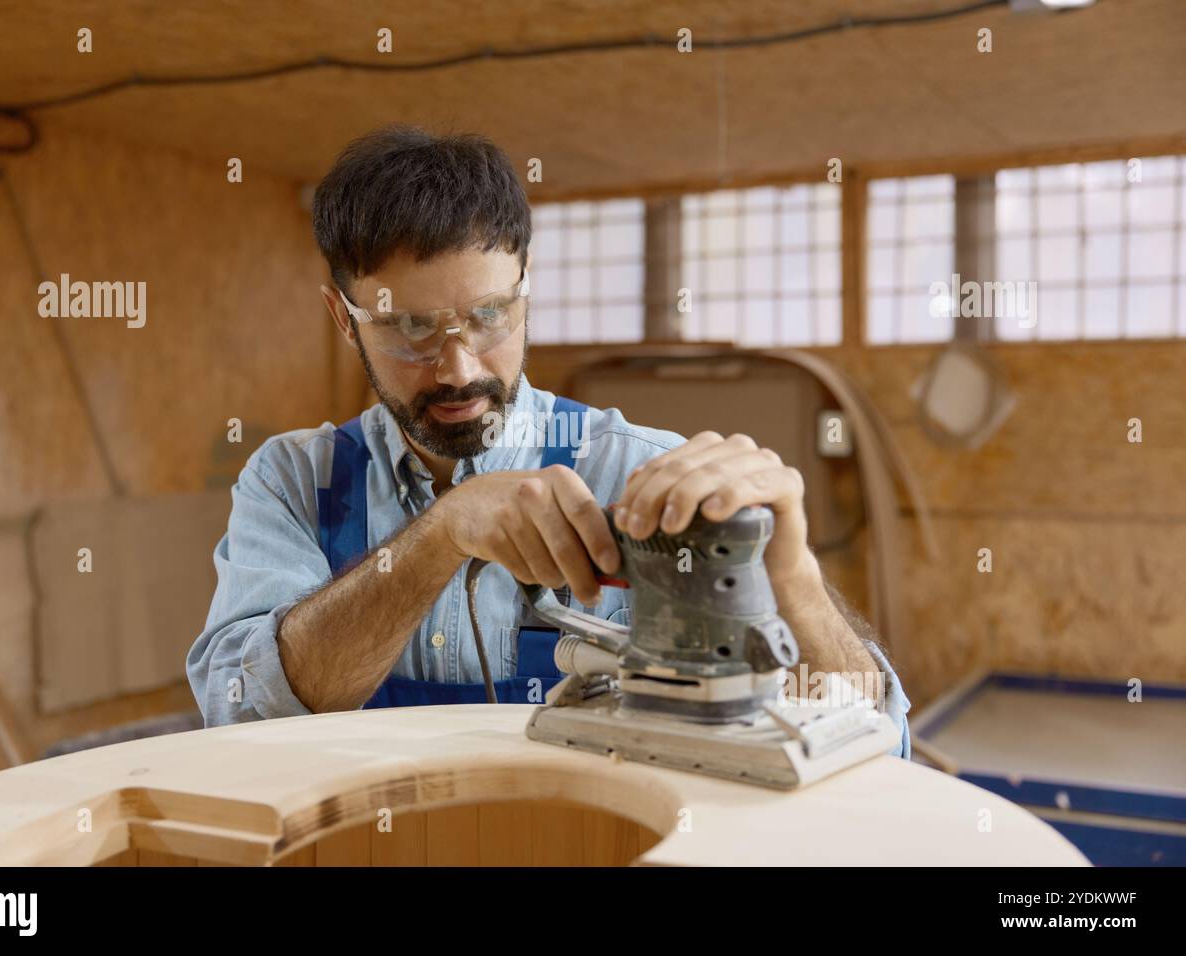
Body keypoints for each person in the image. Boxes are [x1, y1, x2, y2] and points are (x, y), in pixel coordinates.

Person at [186, 125, 911, 758]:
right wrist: (439, 537)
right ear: (343, 320)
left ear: (527, 286)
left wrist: (797, 585)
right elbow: (241, 711)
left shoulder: (645, 470)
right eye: (410, 328)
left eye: (490, 315)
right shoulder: (294, 482)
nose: (459, 368)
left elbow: (878, 751)